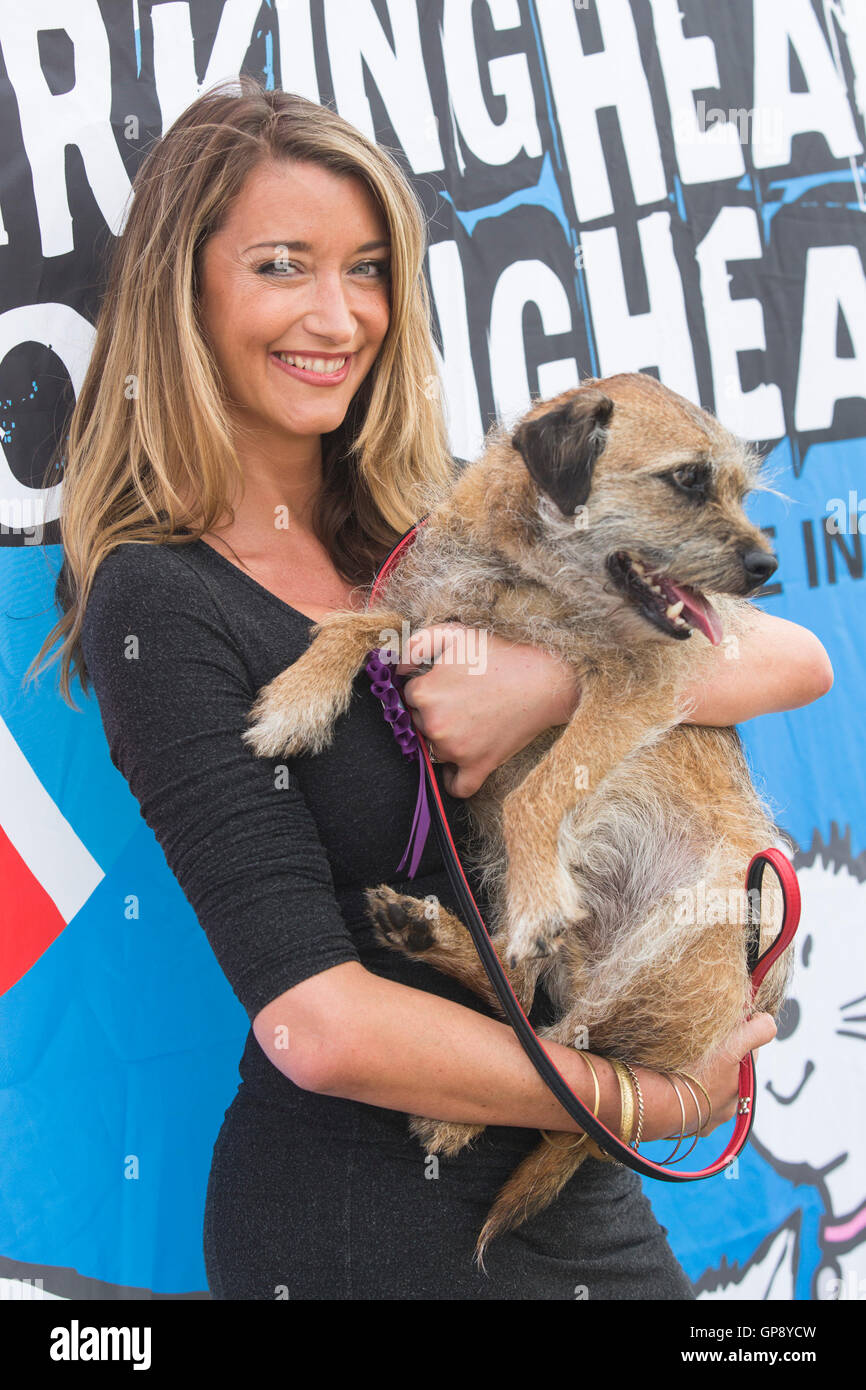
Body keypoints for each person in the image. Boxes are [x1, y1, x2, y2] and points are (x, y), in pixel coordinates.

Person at [28, 77, 832, 1301]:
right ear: (185, 292)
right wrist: (647, 1096)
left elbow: (787, 658)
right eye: (283, 265)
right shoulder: (161, 598)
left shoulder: (442, 517)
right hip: (366, 1225)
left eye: (367, 269)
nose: (338, 314)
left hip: (575, 1184)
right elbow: (319, 1022)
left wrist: (544, 684)